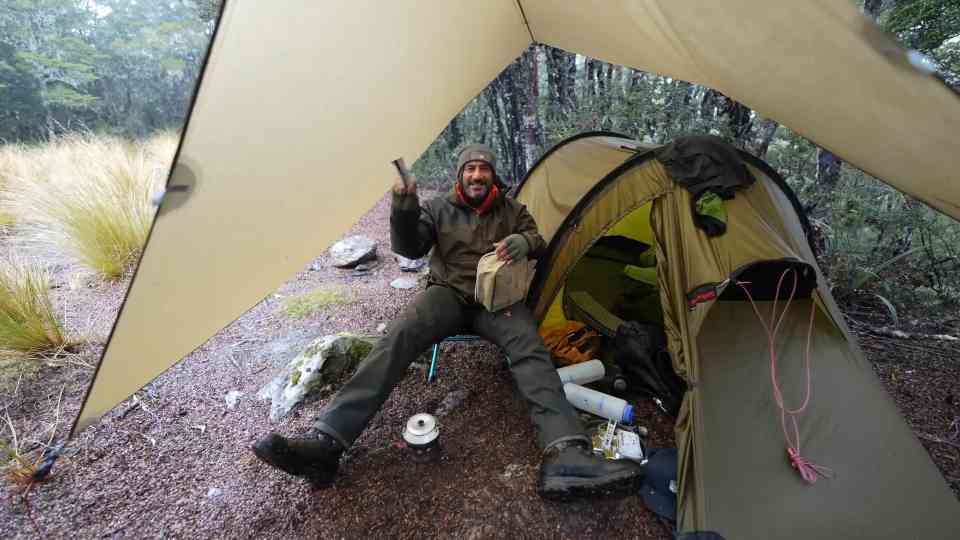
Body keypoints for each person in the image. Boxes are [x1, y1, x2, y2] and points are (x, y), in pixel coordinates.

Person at [252, 144, 645, 500]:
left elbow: (537, 240)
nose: (477, 175)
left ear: (492, 175)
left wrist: (525, 242)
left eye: (483, 168)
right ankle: (326, 443)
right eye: (470, 168)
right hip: (448, 294)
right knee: (398, 335)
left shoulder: (512, 210)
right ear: (461, 175)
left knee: (530, 347)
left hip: (497, 302)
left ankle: (566, 453)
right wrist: (404, 208)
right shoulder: (438, 208)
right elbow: (410, 247)